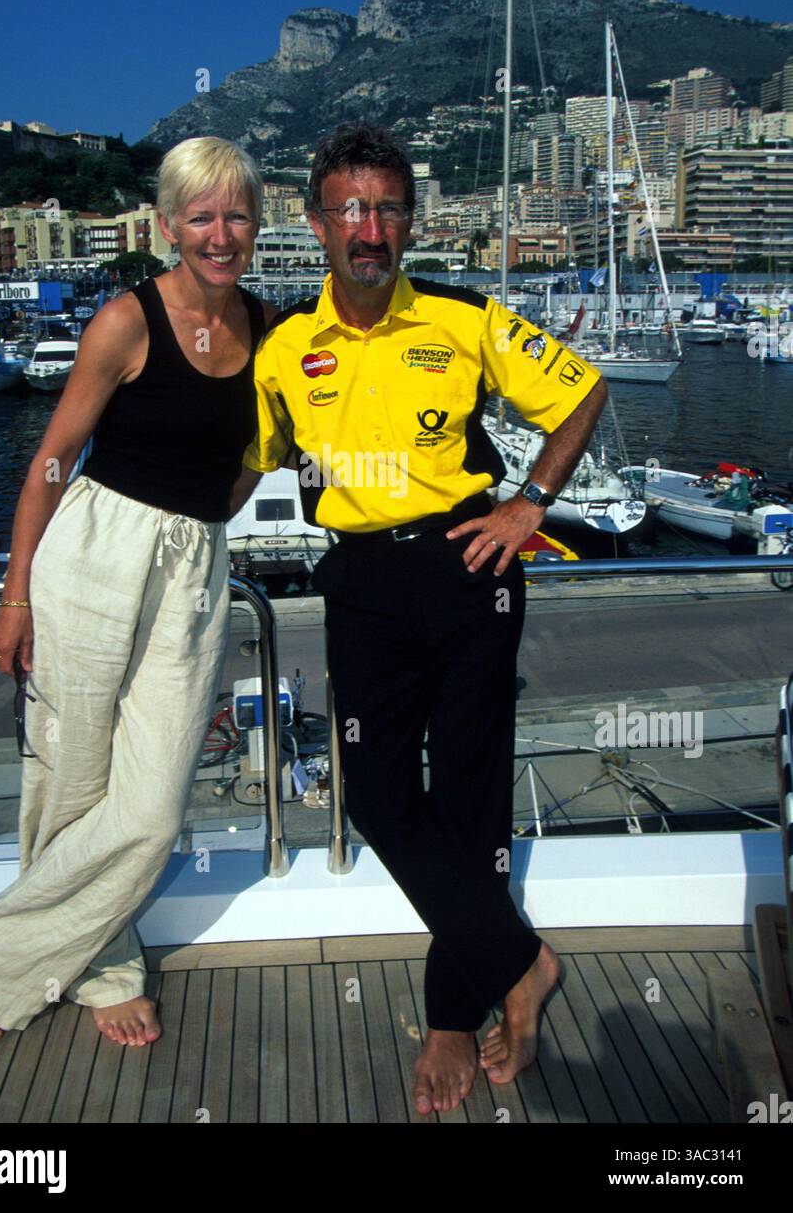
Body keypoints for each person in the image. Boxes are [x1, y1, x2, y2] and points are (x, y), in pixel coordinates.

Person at [230, 123, 608, 1116]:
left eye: (387, 207)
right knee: (381, 797)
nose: (368, 228)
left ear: (411, 221)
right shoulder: (282, 346)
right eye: (349, 208)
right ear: (314, 223)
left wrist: (528, 500)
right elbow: (248, 459)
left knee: (471, 802)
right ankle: (523, 961)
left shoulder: (462, 316)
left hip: (465, 564)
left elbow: (579, 391)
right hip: (355, 582)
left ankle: (457, 1013)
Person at [0, 135, 275, 1048]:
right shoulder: (126, 322)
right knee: (70, 780)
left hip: (191, 564)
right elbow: (51, 462)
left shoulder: (271, 330)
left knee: (152, 804)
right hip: (93, 550)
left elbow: (258, 453)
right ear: (169, 226)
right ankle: (101, 965)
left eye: (237, 213)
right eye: (201, 216)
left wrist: (207, 522)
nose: (220, 233)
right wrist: (15, 595)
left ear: (257, 222)